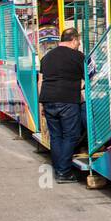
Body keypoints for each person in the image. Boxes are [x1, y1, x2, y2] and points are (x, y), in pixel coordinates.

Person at [39, 28, 85, 183]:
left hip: (48, 99)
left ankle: (59, 168)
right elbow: (89, 78)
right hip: (67, 100)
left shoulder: (47, 57)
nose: (79, 44)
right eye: (78, 41)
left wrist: (41, 104)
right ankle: (63, 172)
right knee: (71, 135)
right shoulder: (78, 57)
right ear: (73, 40)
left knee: (56, 136)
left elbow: (41, 81)